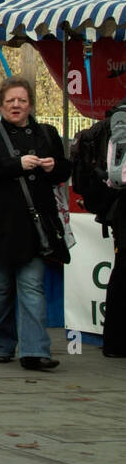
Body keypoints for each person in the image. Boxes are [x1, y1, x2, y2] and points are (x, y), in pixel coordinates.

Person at [0, 77, 71, 371]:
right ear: (0, 105)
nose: (16, 105)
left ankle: (34, 351)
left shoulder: (47, 132)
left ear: (30, 105)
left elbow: (64, 169)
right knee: (0, 288)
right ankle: (1, 344)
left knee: (31, 285)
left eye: (22, 101)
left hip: (37, 225)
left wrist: (54, 167)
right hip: (0, 224)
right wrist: (17, 165)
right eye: (11, 101)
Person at [103, 98, 126, 358]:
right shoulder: (122, 117)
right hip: (124, 208)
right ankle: (116, 343)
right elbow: (118, 173)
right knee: (123, 273)